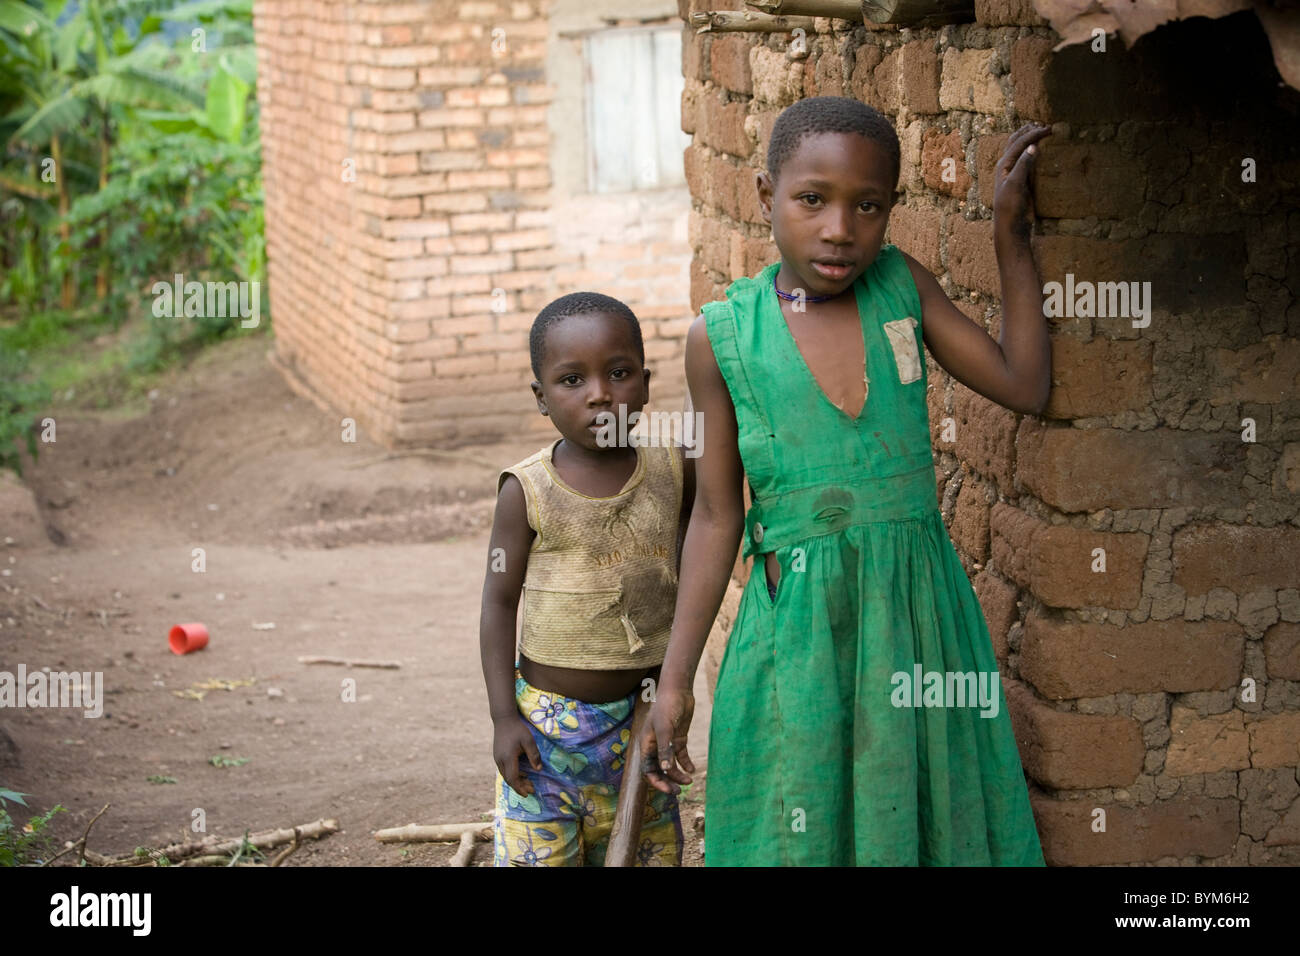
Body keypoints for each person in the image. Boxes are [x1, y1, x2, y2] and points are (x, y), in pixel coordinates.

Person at [642, 96, 1050, 866]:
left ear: (892, 210)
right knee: (799, 814)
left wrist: (1009, 239)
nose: (839, 229)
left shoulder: (902, 289)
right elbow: (714, 518)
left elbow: (1023, 384)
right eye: (811, 200)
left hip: (916, 616)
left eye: (867, 206)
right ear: (766, 196)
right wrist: (674, 681)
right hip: (799, 628)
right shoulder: (721, 337)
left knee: (923, 813)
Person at [480, 292, 693, 866]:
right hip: (545, 740)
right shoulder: (527, 491)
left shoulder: (673, 471)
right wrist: (504, 717)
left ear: (645, 384)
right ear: (542, 398)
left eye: (619, 373)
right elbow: (498, 605)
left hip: (642, 728)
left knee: (644, 853)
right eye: (572, 380)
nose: (600, 393)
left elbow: (700, 551)